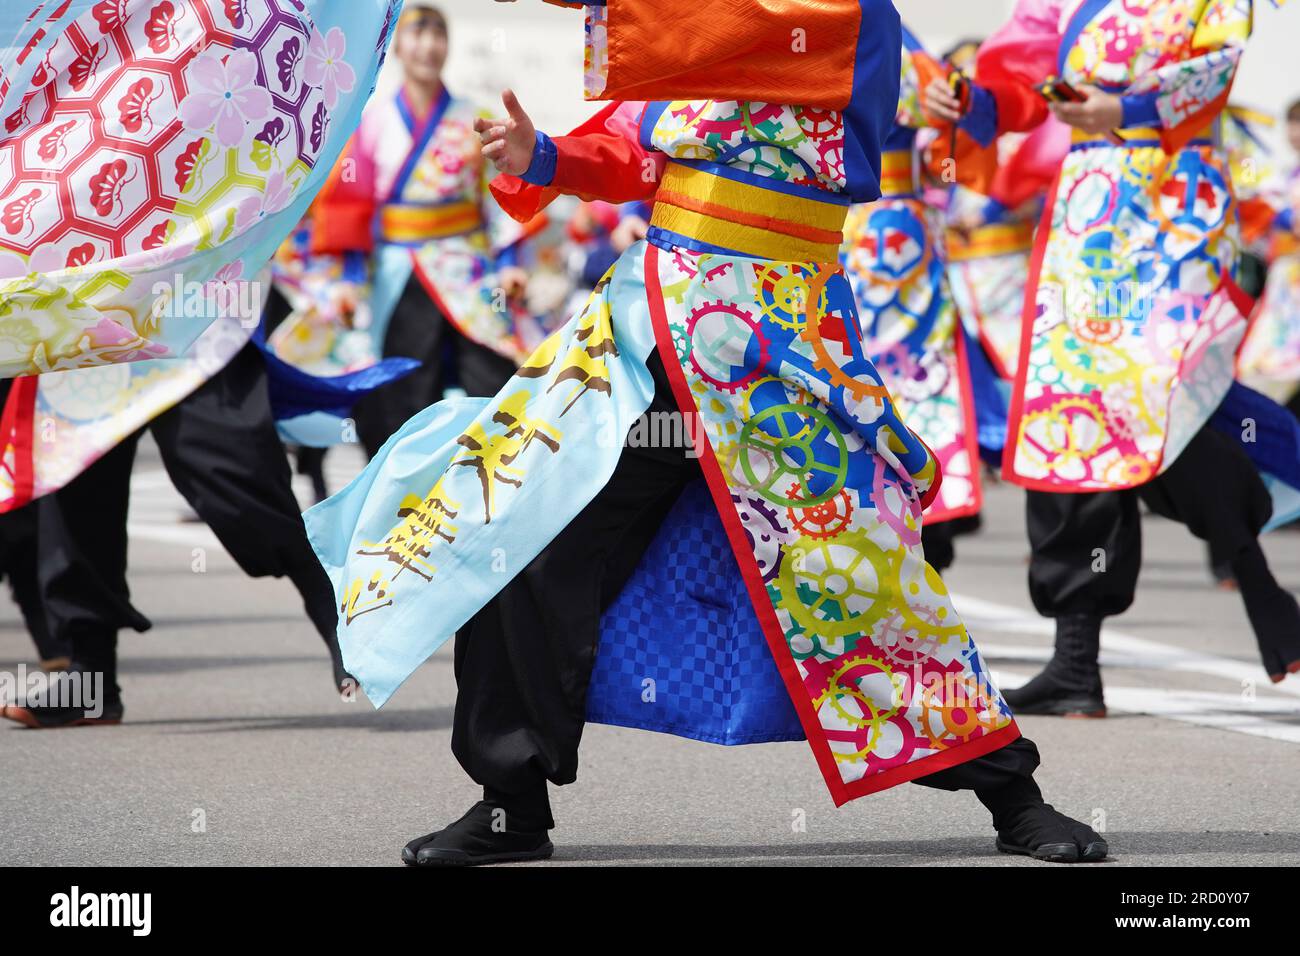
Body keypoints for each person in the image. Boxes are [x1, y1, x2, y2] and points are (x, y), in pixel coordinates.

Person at [306, 0, 1108, 867]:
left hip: (779, 341)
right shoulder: (685, 17)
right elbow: (643, 153)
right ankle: (510, 803)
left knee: (859, 570)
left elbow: (747, 27)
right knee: (528, 534)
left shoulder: (834, 15)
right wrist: (546, 156)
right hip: (648, 332)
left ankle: (1011, 792)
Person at [0, 0, 399, 727]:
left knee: (233, 472)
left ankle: (335, 607)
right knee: (73, 478)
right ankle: (90, 675)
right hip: (82, 265)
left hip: (186, 279)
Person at [924, 0, 1300, 716]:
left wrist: (1127, 106)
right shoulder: (1064, 3)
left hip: (1175, 208)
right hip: (1086, 221)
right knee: (1077, 414)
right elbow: (1017, 80)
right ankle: (1076, 662)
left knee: (1170, 396)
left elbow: (1215, 66)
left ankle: (1251, 566)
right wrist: (969, 97)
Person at [304, 1, 538, 458]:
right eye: (418, 34)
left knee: (489, 378)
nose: (429, 46)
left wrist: (510, 263)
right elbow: (351, 209)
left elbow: (504, 192)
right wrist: (349, 281)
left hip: (466, 269)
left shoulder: (474, 117)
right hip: (397, 270)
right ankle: (407, 491)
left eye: (438, 35)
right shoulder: (372, 122)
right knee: (405, 388)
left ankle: (486, 481)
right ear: (397, 45)